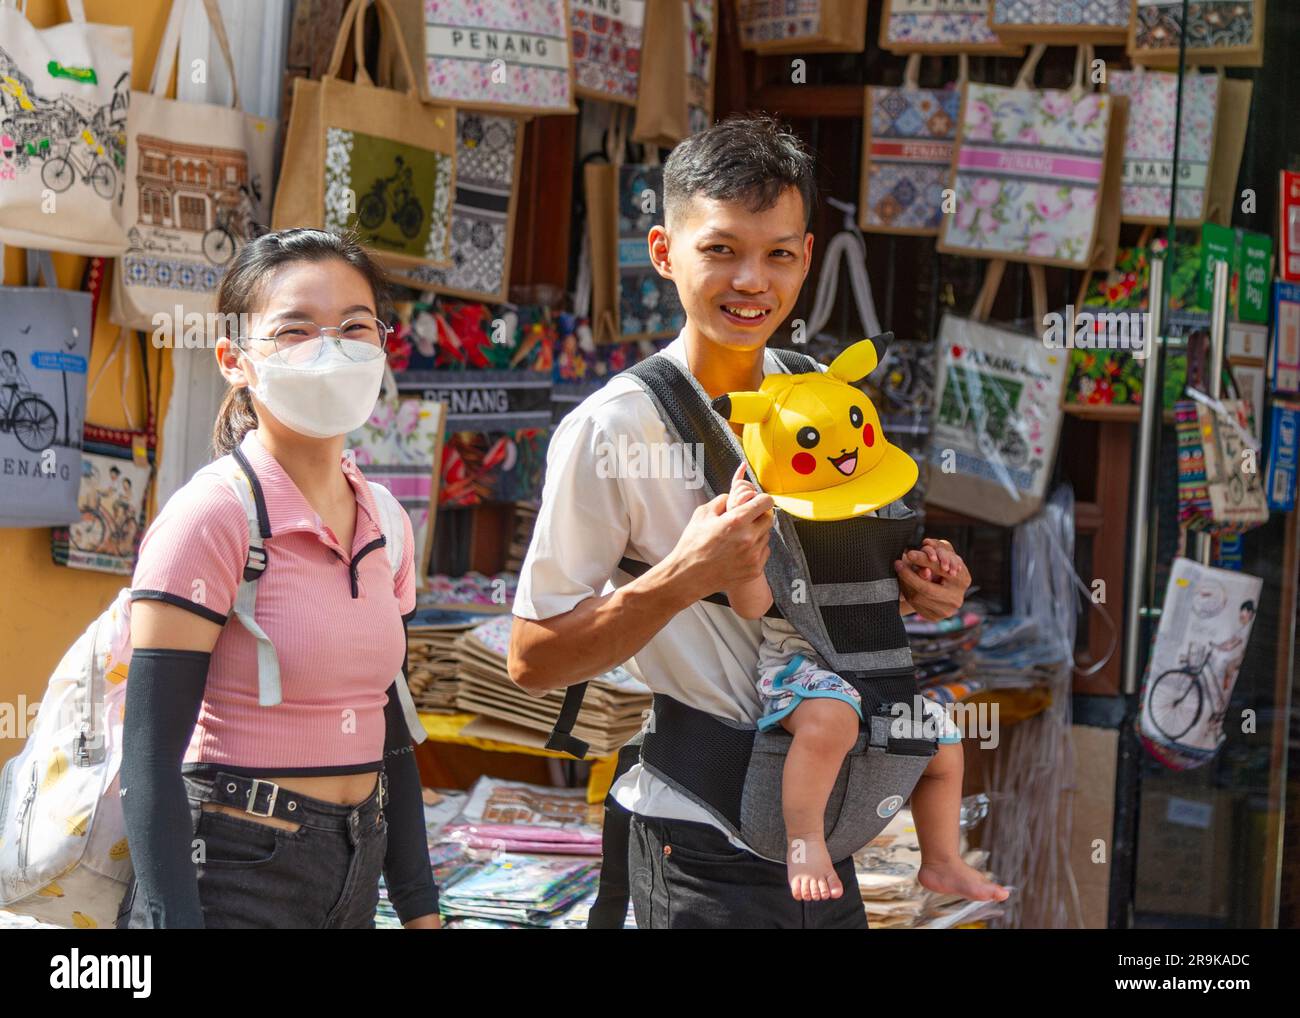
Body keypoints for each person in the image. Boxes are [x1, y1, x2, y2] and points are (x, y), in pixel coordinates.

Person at [508, 115, 972, 929]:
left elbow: (827, 588)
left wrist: (921, 590)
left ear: (806, 257)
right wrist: (685, 575)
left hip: (827, 833)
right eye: (721, 250)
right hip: (697, 834)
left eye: (779, 254)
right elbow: (532, 659)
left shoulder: (822, 395)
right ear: (663, 252)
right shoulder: (614, 429)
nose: (752, 280)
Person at [116, 228, 439, 929]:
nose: (331, 349)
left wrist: (420, 906)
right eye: (295, 330)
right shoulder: (212, 517)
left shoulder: (387, 520)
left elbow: (389, 724)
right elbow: (147, 765)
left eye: (355, 326)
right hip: (233, 869)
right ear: (235, 359)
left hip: (356, 864)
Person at [717, 349, 1009, 904]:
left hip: (872, 669)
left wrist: (927, 574)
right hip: (801, 673)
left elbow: (886, 603)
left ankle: (942, 858)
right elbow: (753, 606)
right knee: (831, 720)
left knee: (941, 736)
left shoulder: (878, 516)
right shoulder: (773, 525)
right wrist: (743, 550)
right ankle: (804, 840)